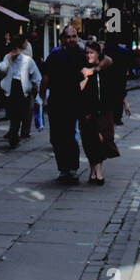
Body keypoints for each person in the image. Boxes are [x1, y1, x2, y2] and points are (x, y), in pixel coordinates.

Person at [40, 25, 101, 184]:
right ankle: (63, 169)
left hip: (75, 100)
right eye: (68, 36)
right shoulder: (55, 54)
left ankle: (72, 169)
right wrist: (41, 97)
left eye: (74, 36)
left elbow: (102, 61)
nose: (71, 40)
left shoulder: (82, 54)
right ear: (62, 39)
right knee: (56, 137)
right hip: (56, 100)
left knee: (70, 135)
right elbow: (46, 76)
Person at [78, 41, 120, 186]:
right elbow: (79, 89)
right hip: (87, 111)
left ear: (98, 54)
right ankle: (93, 172)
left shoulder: (103, 67)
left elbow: (110, 62)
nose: (88, 55)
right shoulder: (82, 68)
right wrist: (85, 77)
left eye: (91, 52)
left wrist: (95, 70)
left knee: (102, 139)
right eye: (87, 52)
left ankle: (98, 171)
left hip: (103, 110)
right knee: (89, 141)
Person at [0, 32, 41, 148]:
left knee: (19, 113)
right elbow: (0, 69)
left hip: (22, 90)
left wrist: (37, 90)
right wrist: (9, 58)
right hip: (9, 89)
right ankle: (14, 132)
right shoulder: (8, 58)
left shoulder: (27, 60)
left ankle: (15, 133)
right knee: (12, 113)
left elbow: (37, 77)